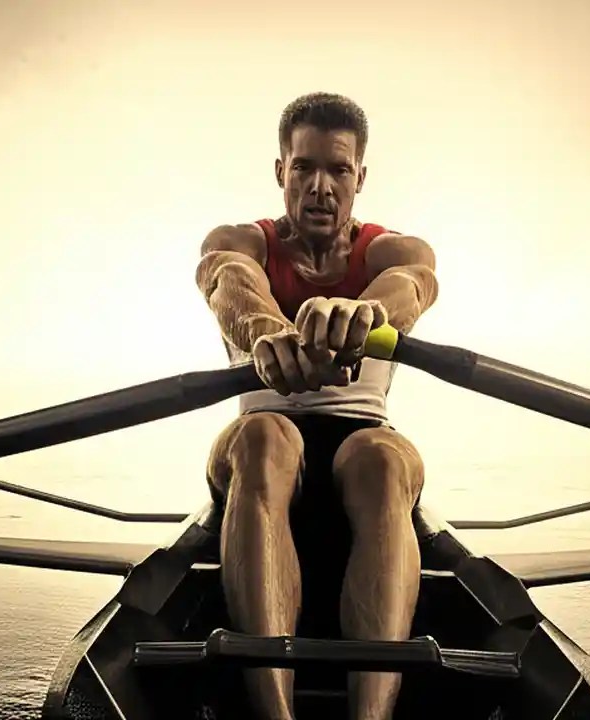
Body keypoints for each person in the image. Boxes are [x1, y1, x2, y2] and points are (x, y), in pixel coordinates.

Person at [194, 92, 439, 720]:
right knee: (266, 436)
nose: (320, 187)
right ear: (281, 172)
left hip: (361, 445)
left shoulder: (392, 251)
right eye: (304, 168)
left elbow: (412, 283)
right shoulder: (240, 241)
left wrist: (368, 313)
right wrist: (263, 330)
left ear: (360, 177)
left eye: (337, 170)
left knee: (383, 458)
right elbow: (229, 281)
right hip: (261, 451)